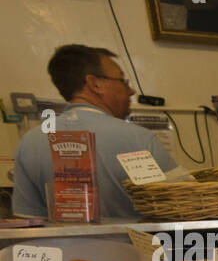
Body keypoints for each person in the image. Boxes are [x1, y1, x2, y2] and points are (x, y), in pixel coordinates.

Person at [12, 45, 179, 220]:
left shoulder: (30, 142)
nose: (131, 91)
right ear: (95, 84)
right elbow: (180, 206)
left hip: (59, 247)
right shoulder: (140, 138)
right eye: (122, 81)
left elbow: (28, 221)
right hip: (133, 247)